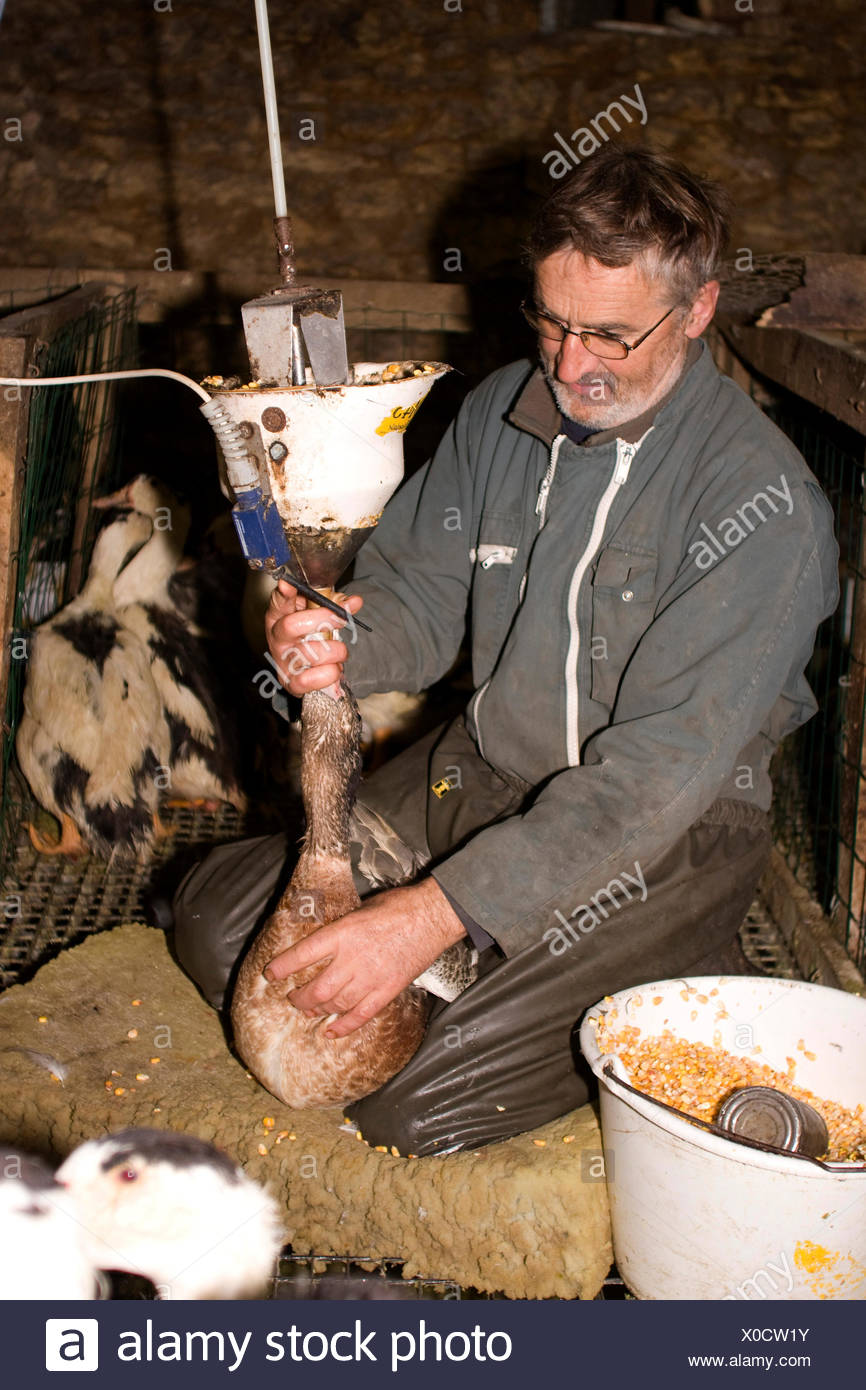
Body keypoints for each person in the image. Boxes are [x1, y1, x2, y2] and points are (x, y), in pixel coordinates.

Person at [173, 146, 839, 1156]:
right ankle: (481, 965)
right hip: (480, 773)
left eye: (610, 335)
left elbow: (653, 779)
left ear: (698, 310)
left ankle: (632, 953)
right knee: (216, 922)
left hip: (662, 833)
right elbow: (419, 599)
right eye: (551, 320)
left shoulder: (761, 506)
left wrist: (427, 916)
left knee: (415, 1103)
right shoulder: (498, 414)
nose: (570, 366)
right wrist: (338, 639)